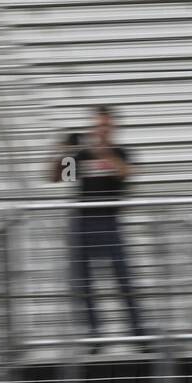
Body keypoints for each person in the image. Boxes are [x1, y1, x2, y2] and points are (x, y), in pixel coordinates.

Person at [51, 106, 144, 349]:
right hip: (82, 222)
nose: (100, 130)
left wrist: (105, 154)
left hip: (109, 222)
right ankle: (94, 336)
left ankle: (139, 333)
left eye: (105, 126)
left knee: (125, 281)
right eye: (97, 126)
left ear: (112, 128)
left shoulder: (121, 153)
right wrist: (63, 153)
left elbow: (126, 174)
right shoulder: (82, 156)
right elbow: (57, 177)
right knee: (84, 284)